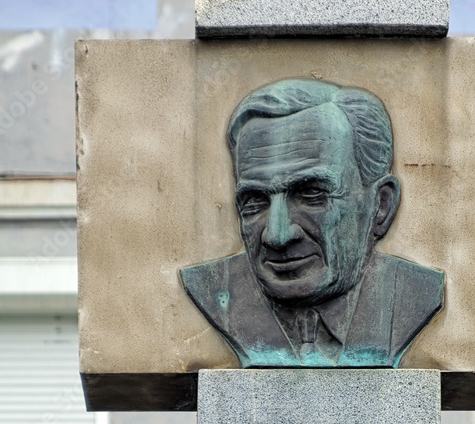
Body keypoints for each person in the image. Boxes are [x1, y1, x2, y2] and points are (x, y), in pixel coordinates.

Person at [179, 78, 444, 367]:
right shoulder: (213, 289)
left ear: (380, 206)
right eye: (255, 201)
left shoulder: (416, 295)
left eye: (311, 193)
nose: (277, 235)